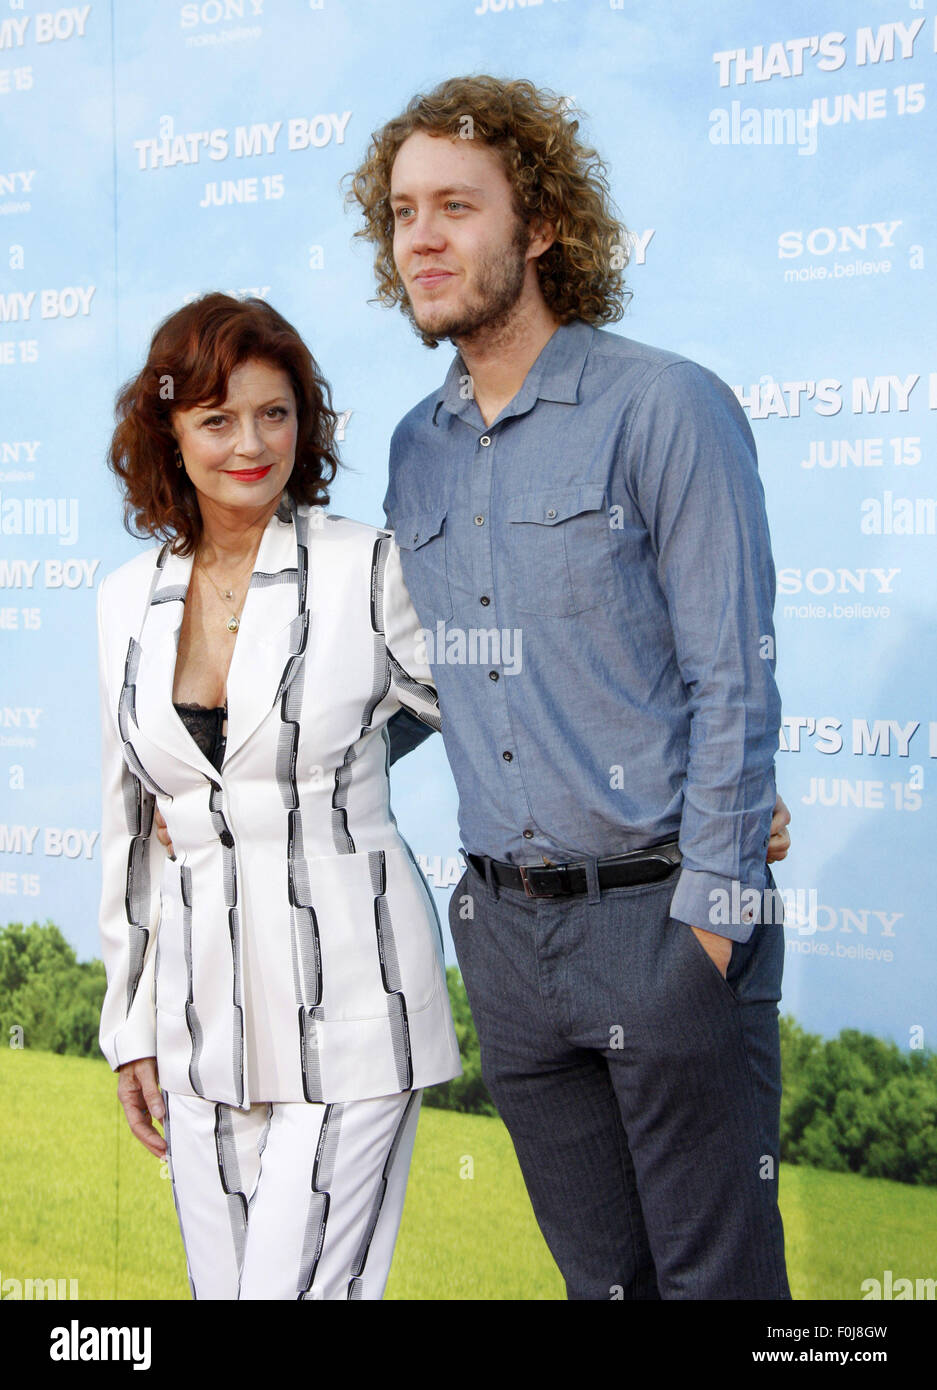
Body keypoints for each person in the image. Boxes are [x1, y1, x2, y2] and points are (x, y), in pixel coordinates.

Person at [347, 75, 793, 1300]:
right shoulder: (413, 448)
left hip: (666, 920)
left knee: (723, 1291)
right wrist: (245, 775)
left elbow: (732, 680)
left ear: (540, 225)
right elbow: (416, 686)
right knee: (600, 1286)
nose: (421, 239)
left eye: (456, 207)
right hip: (505, 939)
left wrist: (708, 925)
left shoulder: (663, 405)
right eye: (400, 213)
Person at [97, 292, 460, 1300]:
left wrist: (683, 790)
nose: (250, 443)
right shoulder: (125, 602)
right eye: (216, 419)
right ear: (167, 434)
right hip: (200, 1029)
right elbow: (128, 828)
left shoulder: (367, 568)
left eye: (274, 413)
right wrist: (131, 1026)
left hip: (353, 1009)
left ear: (305, 422)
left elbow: (488, 721)